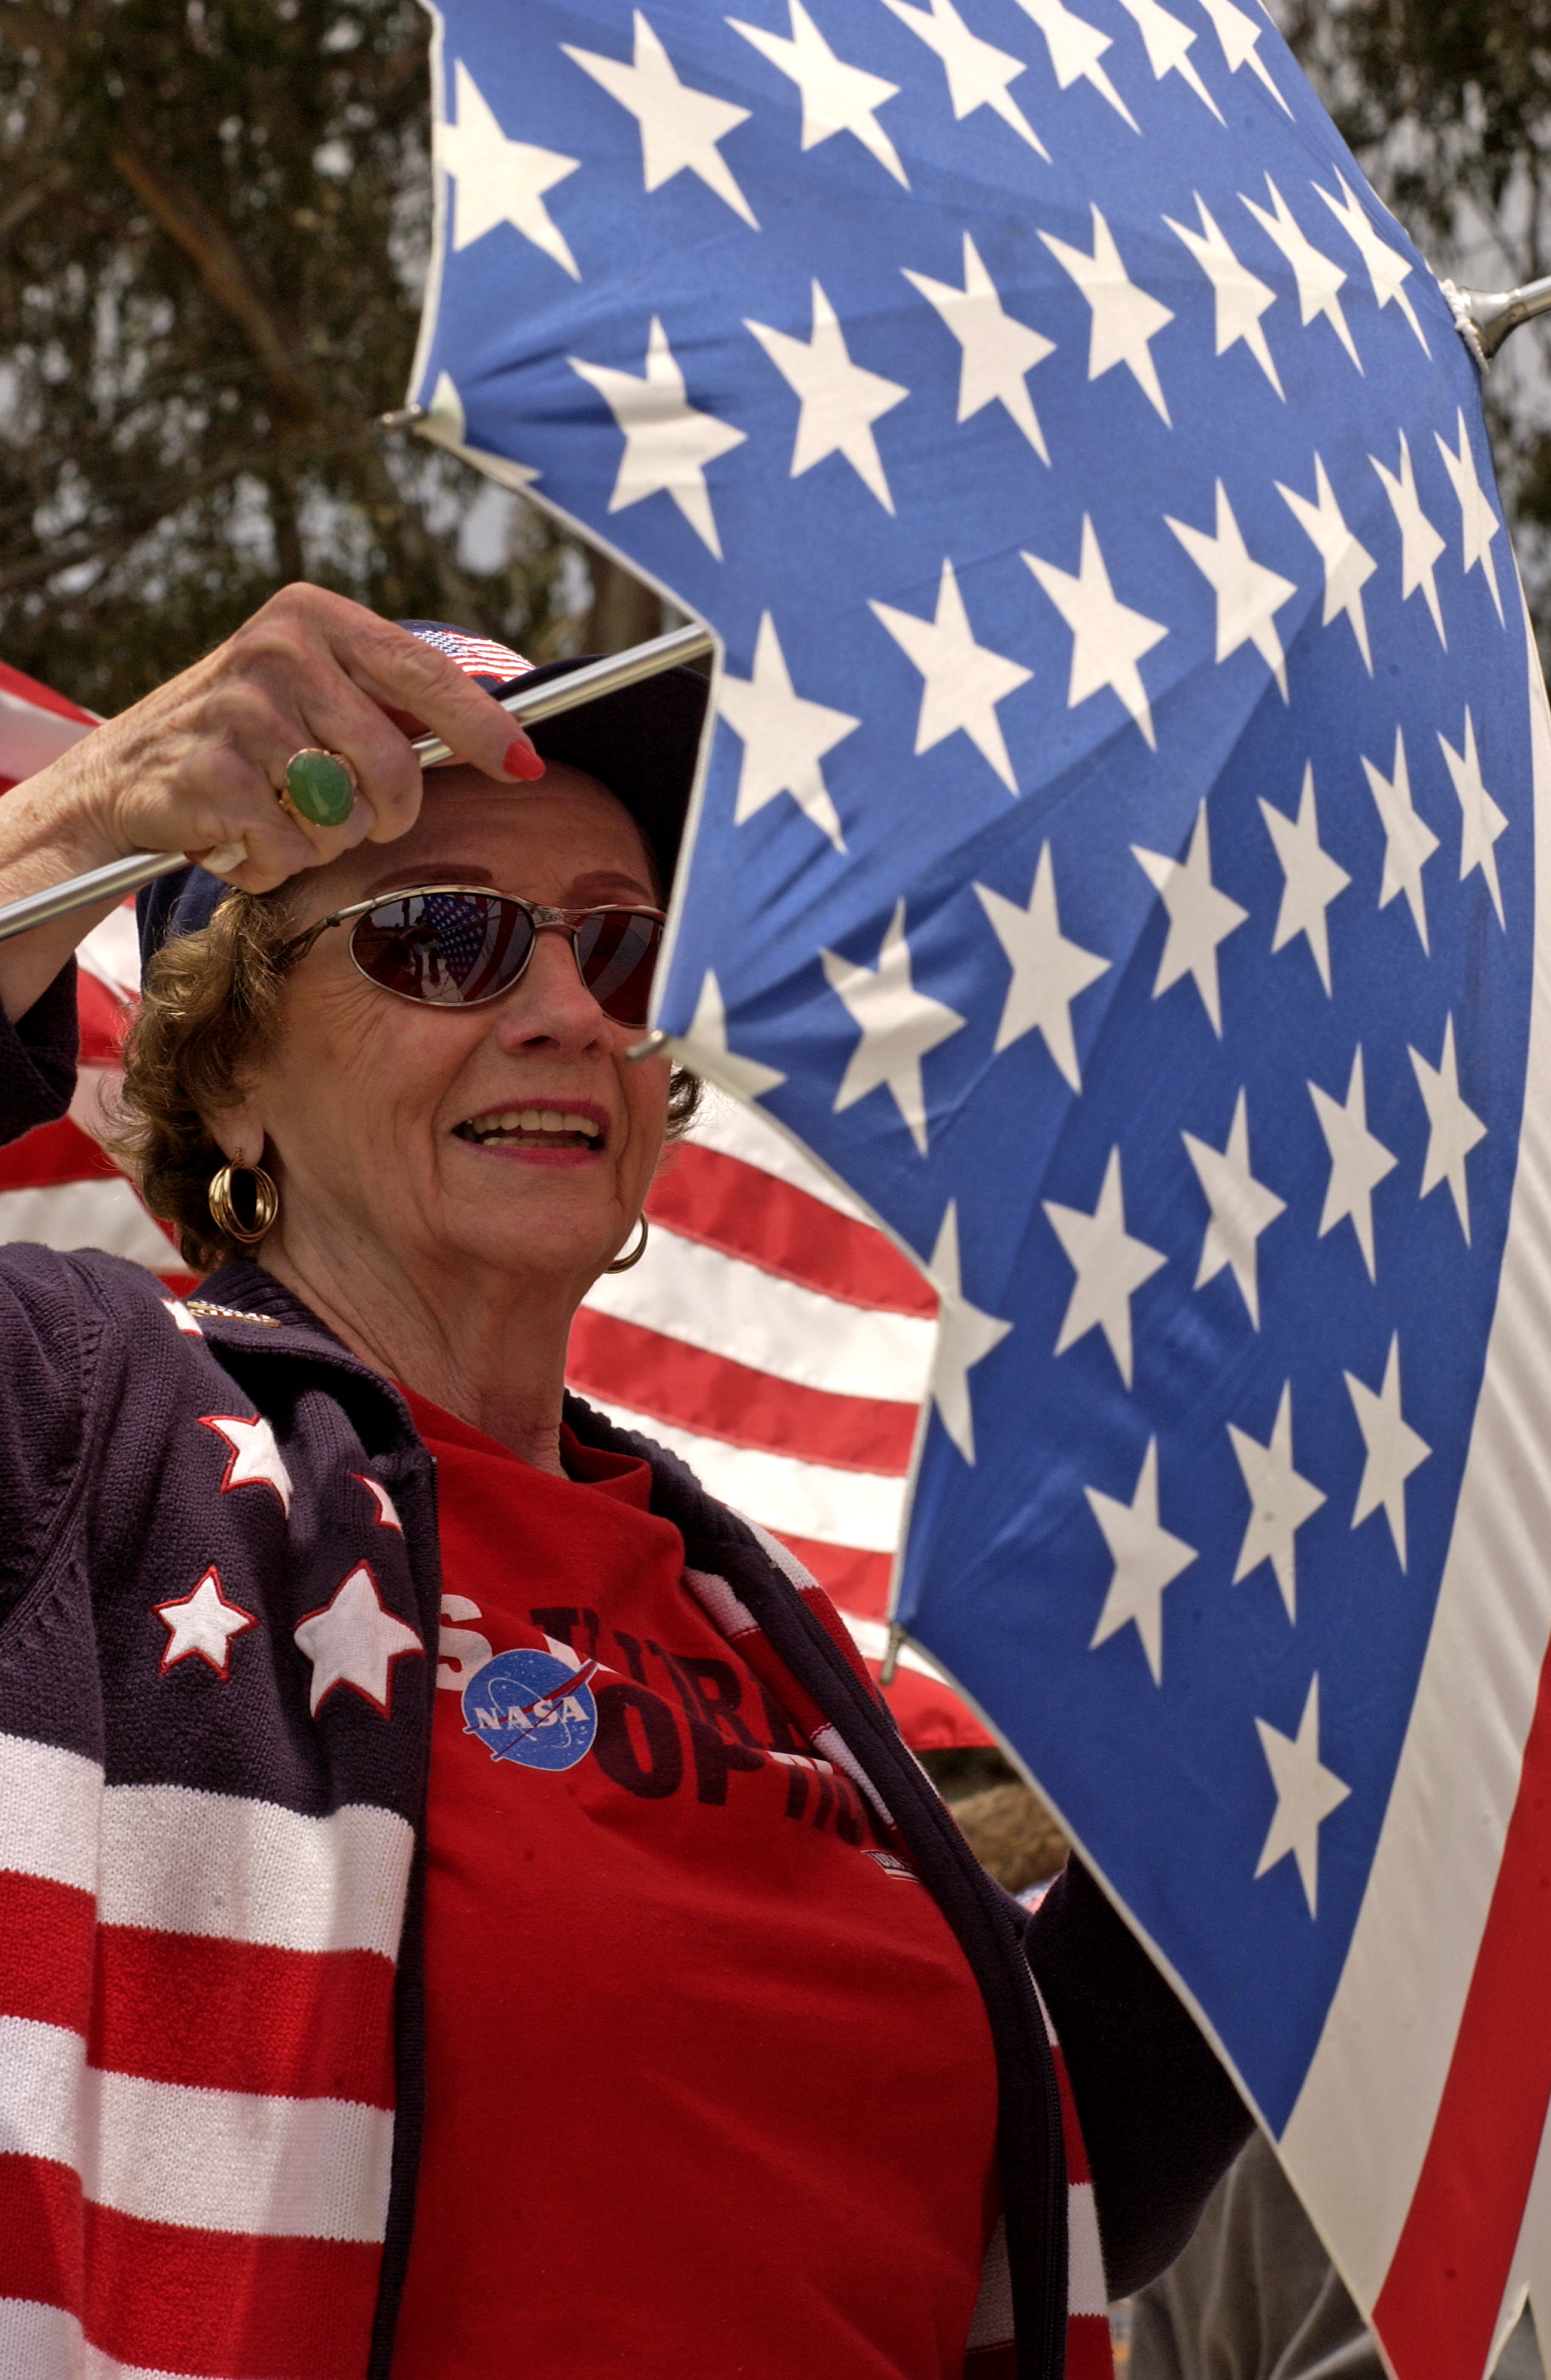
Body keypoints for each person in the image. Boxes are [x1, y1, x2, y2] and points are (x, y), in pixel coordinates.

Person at [0, 584, 1248, 2380]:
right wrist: (70, 824)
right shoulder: (92, 1417)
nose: (566, 1012)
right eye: (445, 939)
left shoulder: (750, 1610)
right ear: (234, 1072)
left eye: (624, 953)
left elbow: (1050, 2171)